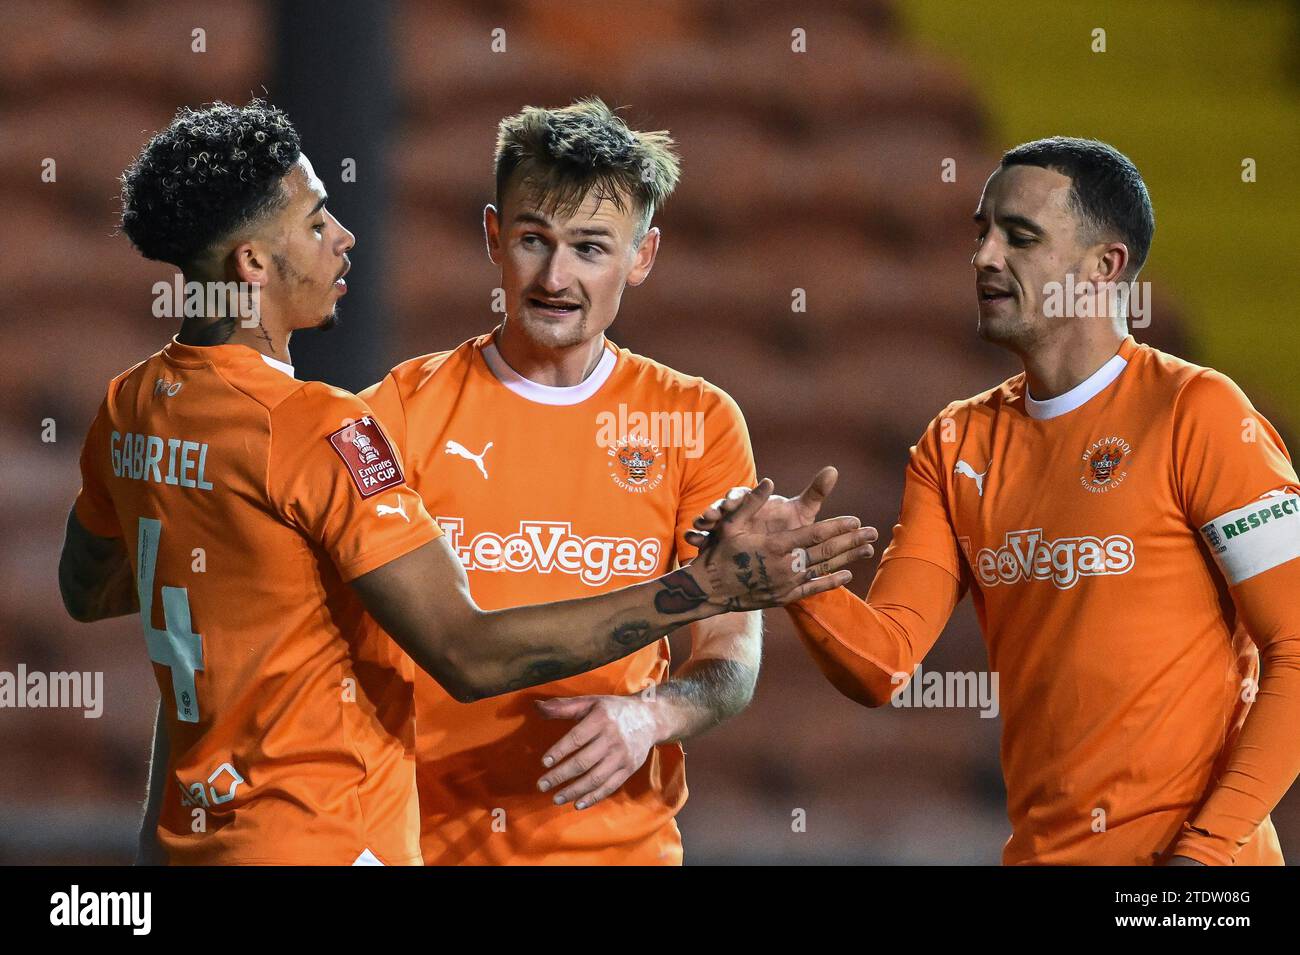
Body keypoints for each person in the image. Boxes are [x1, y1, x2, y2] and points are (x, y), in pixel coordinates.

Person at [58, 100, 873, 865]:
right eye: (533, 239)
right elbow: (463, 651)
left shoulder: (131, 404)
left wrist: (654, 711)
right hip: (367, 837)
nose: (557, 274)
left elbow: (118, 591)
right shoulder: (368, 422)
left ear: (642, 255)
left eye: (590, 246)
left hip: (598, 844)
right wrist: (703, 587)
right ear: (493, 237)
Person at [691, 138, 1300, 865]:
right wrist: (796, 581)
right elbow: (883, 663)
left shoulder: (1199, 413)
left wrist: (1201, 856)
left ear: (1103, 267)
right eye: (981, 232)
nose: (983, 257)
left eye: (1020, 237)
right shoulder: (956, 443)